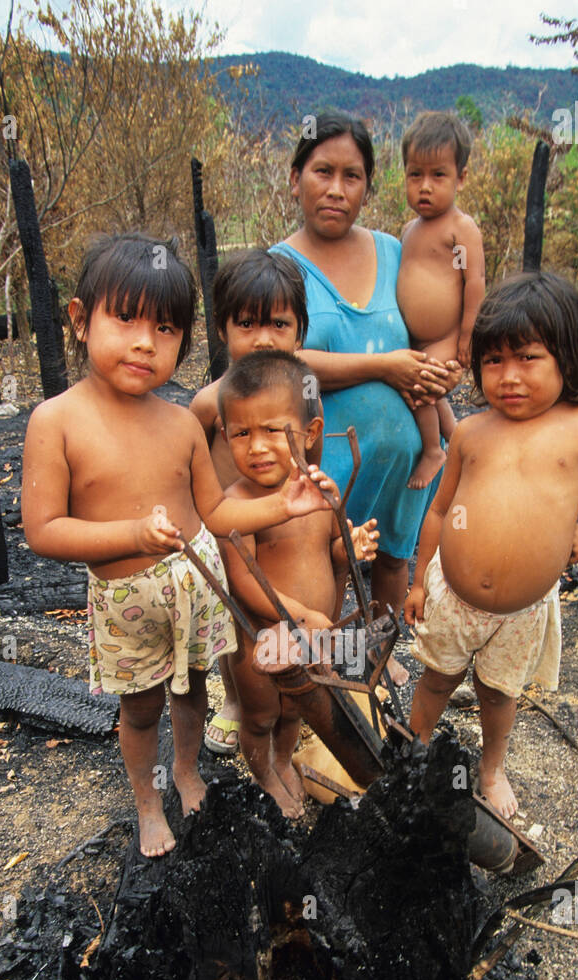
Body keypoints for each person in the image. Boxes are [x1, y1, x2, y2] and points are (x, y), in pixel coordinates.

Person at [22, 232, 335, 857]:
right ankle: (146, 799)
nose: (145, 341)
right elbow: (44, 529)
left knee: (192, 690)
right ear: (81, 322)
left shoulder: (182, 423)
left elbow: (218, 512)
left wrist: (286, 503)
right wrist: (131, 535)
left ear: (185, 343)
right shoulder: (56, 421)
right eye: (126, 318)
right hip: (125, 598)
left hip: (192, 586)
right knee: (140, 710)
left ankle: (186, 770)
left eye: (165, 329)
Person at [406, 271, 578, 819]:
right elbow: (437, 508)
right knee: (435, 680)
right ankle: (414, 751)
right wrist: (416, 580)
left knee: (499, 694)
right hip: (452, 599)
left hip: (522, 612)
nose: (509, 377)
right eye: (494, 361)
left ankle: (491, 768)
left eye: (528, 358)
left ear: (567, 358)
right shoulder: (472, 432)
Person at [271, 109, 458, 686]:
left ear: (368, 187)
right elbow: (282, 362)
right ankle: (312, 668)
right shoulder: (281, 266)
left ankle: (376, 650)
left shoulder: (394, 251)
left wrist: (439, 369)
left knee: (393, 557)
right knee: (323, 560)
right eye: (321, 171)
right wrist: (385, 365)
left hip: (405, 458)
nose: (335, 189)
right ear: (296, 176)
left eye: (352, 176)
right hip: (325, 460)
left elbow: (426, 328)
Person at [219, 350, 379, 819]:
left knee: (294, 712)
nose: (258, 446)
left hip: (311, 636)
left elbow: (331, 549)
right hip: (262, 642)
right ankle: (263, 770)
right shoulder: (238, 503)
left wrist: (351, 543)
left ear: (309, 434)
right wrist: (301, 614)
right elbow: (244, 582)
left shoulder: (319, 487)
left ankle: (283, 758)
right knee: (262, 715)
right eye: (241, 433)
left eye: (272, 429)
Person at [190, 248, 310, 757]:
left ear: (300, 332)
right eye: (247, 324)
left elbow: (309, 473)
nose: (263, 339)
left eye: (278, 324)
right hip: (222, 535)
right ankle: (237, 700)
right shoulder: (207, 403)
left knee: (272, 614)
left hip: (277, 531)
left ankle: (289, 698)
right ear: (222, 330)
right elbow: (186, 465)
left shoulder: (304, 399)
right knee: (230, 623)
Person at [397, 110, 485, 489]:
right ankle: (461, 442)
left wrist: (467, 336)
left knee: (421, 389)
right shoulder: (408, 230)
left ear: (461, 178)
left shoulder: (459, 230)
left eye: (438, 175)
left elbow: (474, 282)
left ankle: (433, 450)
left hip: (446, 335)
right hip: (415, 339)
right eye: (415, 174)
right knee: (429, 393)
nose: (425, 186)